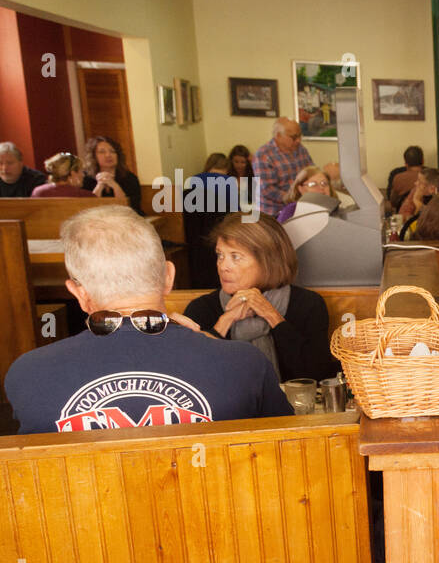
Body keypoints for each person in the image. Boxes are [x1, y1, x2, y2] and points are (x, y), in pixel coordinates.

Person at [4, 206, 292, 433]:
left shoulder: (27, 374)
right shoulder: (244, 364)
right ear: (169, 277)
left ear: (78, 293)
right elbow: (285, 450)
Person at [184, 212, 337, 382]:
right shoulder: (201, 309)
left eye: (236, 257)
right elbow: (191, 377)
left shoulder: (307, 304)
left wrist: (273, 317)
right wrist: (224, 323)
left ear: (268, 261)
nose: (223, 266)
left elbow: (317, 375)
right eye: (220, 255)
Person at [183, 153, 241, 288]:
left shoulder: (192, 181)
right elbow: (236, 215)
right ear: (227, 168)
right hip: (220, 238)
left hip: (193, 242)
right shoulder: (229, 183)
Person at [252, 117, 313, 216]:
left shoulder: (301, 150)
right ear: (278, 136)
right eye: (294, 137)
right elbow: (268, 189)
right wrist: (294, 198)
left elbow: (311, 173)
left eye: (300, 136)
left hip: (299, 207)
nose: (298, 140)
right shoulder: (263, 155)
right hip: (273, 213)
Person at [81, 136, 143, 214]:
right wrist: (100, 185)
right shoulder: (86, 178)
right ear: (93, 156)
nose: (108, 155)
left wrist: (114, 185)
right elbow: (88, 208)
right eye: (102, 152)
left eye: (112, 151)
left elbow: (129, 208)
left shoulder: (130, 178)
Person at [31, 153, 101, 198]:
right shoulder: (84, 196)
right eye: (81, 171)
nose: (83, 175)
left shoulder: (38, 192)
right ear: (73, 173)